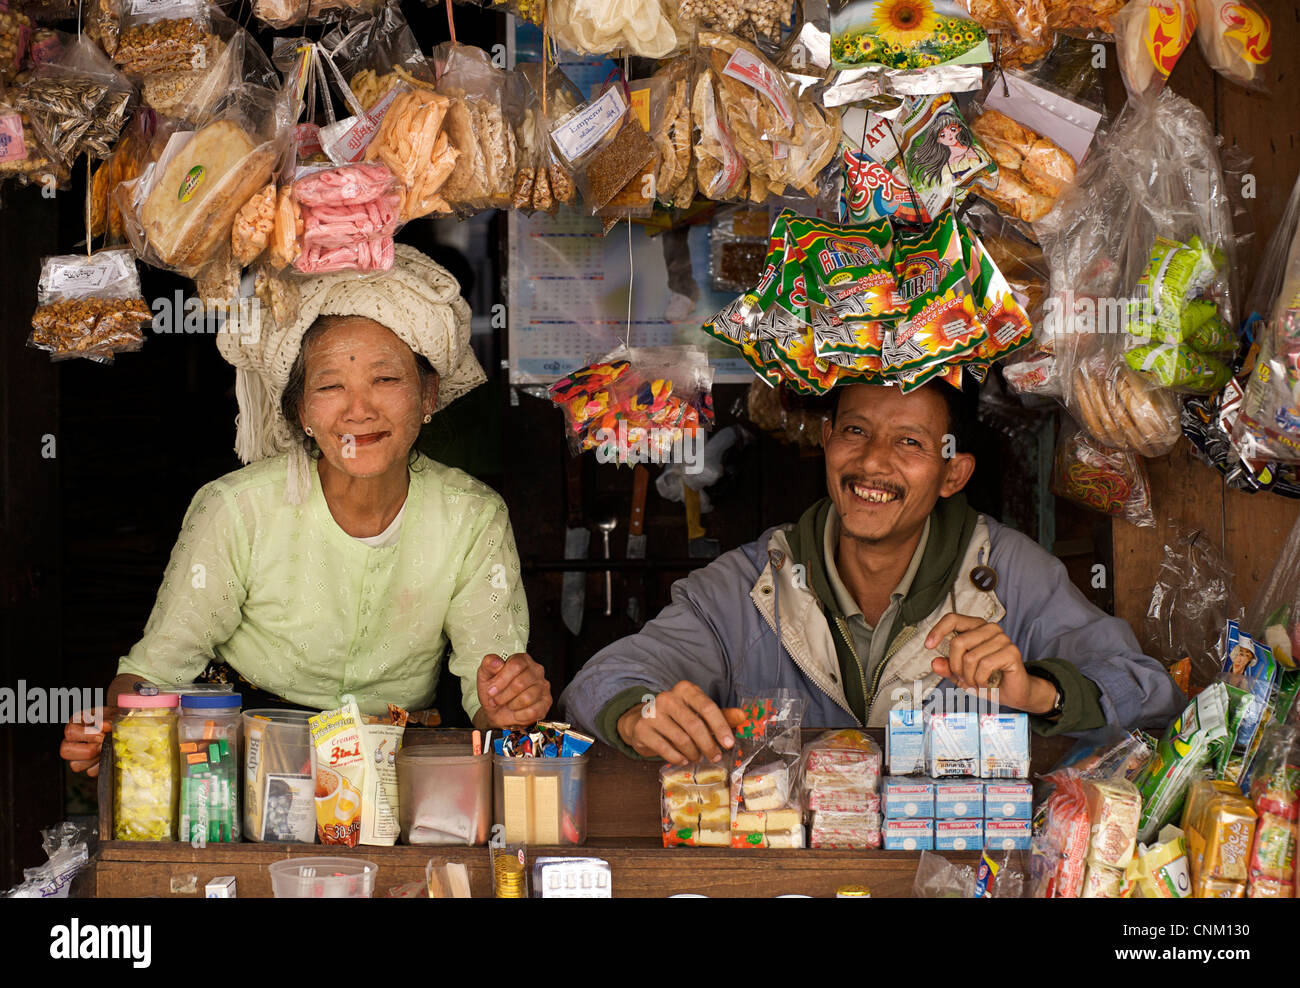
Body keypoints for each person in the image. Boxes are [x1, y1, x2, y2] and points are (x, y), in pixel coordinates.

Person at [61, 246, 551, 776]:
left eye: (386, 380)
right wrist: (114, 724)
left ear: (428, 394)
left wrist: (508, 702)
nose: (359, 409)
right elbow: (152, 673)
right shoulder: (236, 509)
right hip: (241, 763)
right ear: (300, 412)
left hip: (395, 771)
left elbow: (493, 685)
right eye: (329, 386)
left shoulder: (471, 517)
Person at [560, 380, 1184, 765]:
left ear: (953, 474)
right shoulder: (749, 584)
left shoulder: (1011, 575)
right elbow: (602, 681)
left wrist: (1038, 692)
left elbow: (1152, 691)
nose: (873, 462)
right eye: (855, 431)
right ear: (827, 441)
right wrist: (637, 712)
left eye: (911, 443)